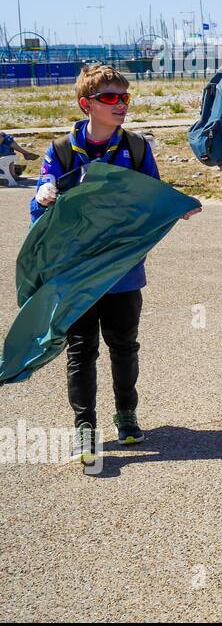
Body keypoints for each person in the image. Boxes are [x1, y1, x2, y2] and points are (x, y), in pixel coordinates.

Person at [31, 64, 200, 463]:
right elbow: (39, 214)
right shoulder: (58, 150)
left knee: (124, 346)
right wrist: (42, 196)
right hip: (76, 273)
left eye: (125, 97)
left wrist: (175, 207)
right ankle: (85, 427)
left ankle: (126, 415)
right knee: (80, 349)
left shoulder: (138, 148)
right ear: (85, 103)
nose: (121, 104)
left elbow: (152, 195)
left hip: (123, 271)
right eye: (111, 98)